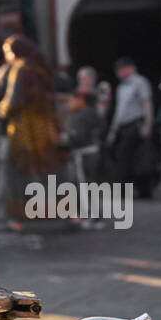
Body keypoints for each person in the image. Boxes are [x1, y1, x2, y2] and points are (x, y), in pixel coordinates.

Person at [0, 35, 59, 231]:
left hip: (23, 130)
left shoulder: (20, 70)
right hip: (44, 129)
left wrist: (2, 110)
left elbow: (13, 102)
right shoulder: (41, 69)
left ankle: (22, 216)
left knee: (20, 171)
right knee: (46, 169)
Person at [106, 56, 154, 197]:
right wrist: (113, 131)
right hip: (124, 126)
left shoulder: (139, 82)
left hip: (135, 125)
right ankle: (138, 189)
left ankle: (123, 190)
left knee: (129, 158)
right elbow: (119, 110)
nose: (117, 72)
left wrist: (148, 125)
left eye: (119, 69)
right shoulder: (122, 86)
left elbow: (147, 103)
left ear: (128, 69)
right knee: (130, 158)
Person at [65, 92, 104, 227]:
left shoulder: (81, 115)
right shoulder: (92, 113)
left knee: (84, 185)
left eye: (73, 100)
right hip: (92, 151)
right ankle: (93, 216)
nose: (70, 103)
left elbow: (77, 137)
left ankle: (91, 217)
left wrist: (63, 139)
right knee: (89, 184)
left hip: (84, 153)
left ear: (81, 100)